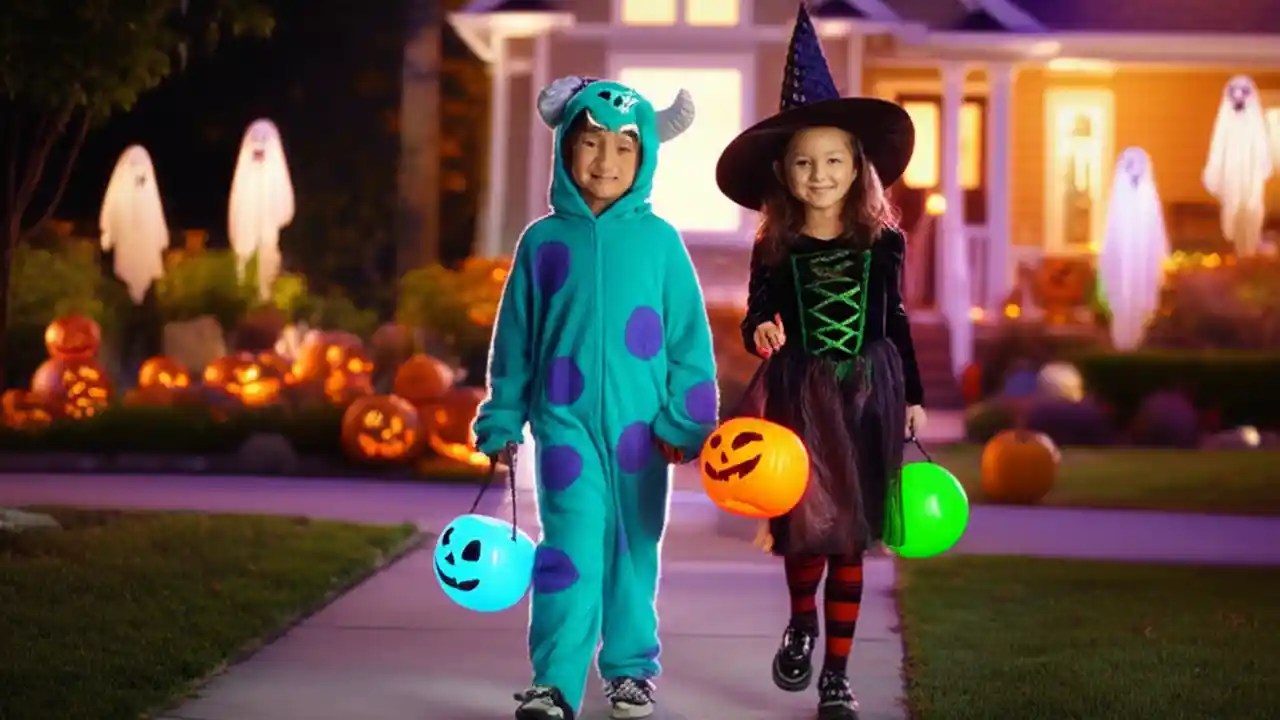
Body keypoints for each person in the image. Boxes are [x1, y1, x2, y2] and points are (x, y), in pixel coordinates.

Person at [472, 75, 719, 720]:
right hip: (565, 427)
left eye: (624, 147)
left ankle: (631, 670)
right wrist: (502, 417)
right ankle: (554, 681)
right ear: (565, 146)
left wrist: (687, 420)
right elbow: (516, 341)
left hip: (643, 433)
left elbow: (689, 342)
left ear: (645, 160)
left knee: (635, 549)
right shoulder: (542, 243)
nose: (605, 161)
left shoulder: (661, 242)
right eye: (590, 142)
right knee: (570, 549)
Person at [713, 5, 926, 719]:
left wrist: (916, 394)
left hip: (869, 392)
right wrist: (762, 331)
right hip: (802, 392)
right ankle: (802, 619)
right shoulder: (774, 246)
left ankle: (837, 672)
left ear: (857, 166)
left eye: (834, 160)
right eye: (804, 162)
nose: (820, 173)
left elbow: (895, 322)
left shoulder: (882, 243)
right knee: (806, 524)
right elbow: (752, 315)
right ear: (783, 171)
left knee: (852, 534)